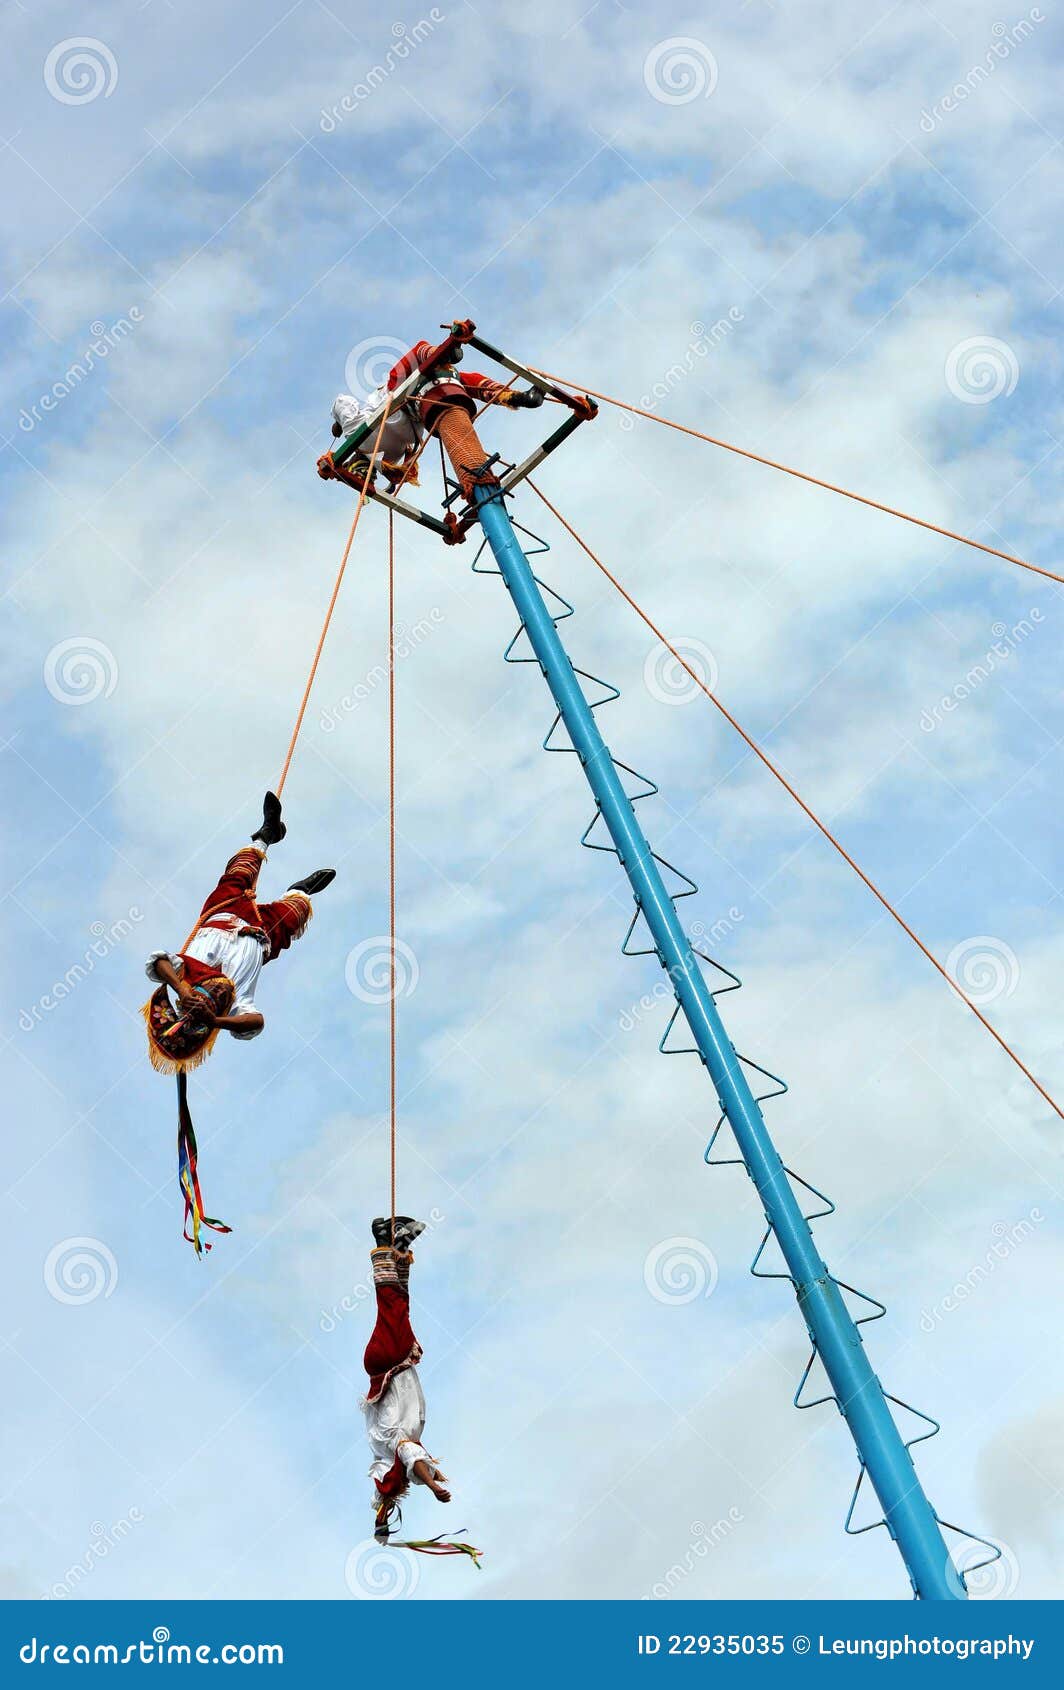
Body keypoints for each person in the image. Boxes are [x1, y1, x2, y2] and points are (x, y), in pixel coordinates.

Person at [142, 791, 335, 1075]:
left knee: (238, 874)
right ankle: (300, 889)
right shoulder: (233, 1005)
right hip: (261, 934)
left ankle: (266, 836)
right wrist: (215, 1020)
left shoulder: (185, 974)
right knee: (292, 915)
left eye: (193, 1008)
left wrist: (182, 990)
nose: (205, 1001)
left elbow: (157, 961)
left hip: (221, 913)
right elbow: (256, 1023)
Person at [329, 335, 543, 493]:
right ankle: (516, 396)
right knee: (448, 373)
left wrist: (339, 426)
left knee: (453, 378)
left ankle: (516, 396)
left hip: (402, 423)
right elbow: (342, 402)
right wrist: (338, 424)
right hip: (397, 418)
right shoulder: (361, 440)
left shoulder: (373, 450)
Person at [362, 1216, 451, 1540]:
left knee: (392, 1306)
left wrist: (432, 1486)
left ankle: (383, 1243)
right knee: (400, 1306)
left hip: (390, 1361)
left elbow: (411, 1459)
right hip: (386, 1363)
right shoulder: (384, 1453)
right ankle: (397, 1244)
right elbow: (410, 1461)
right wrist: (382, 1521)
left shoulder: (399, 1447)